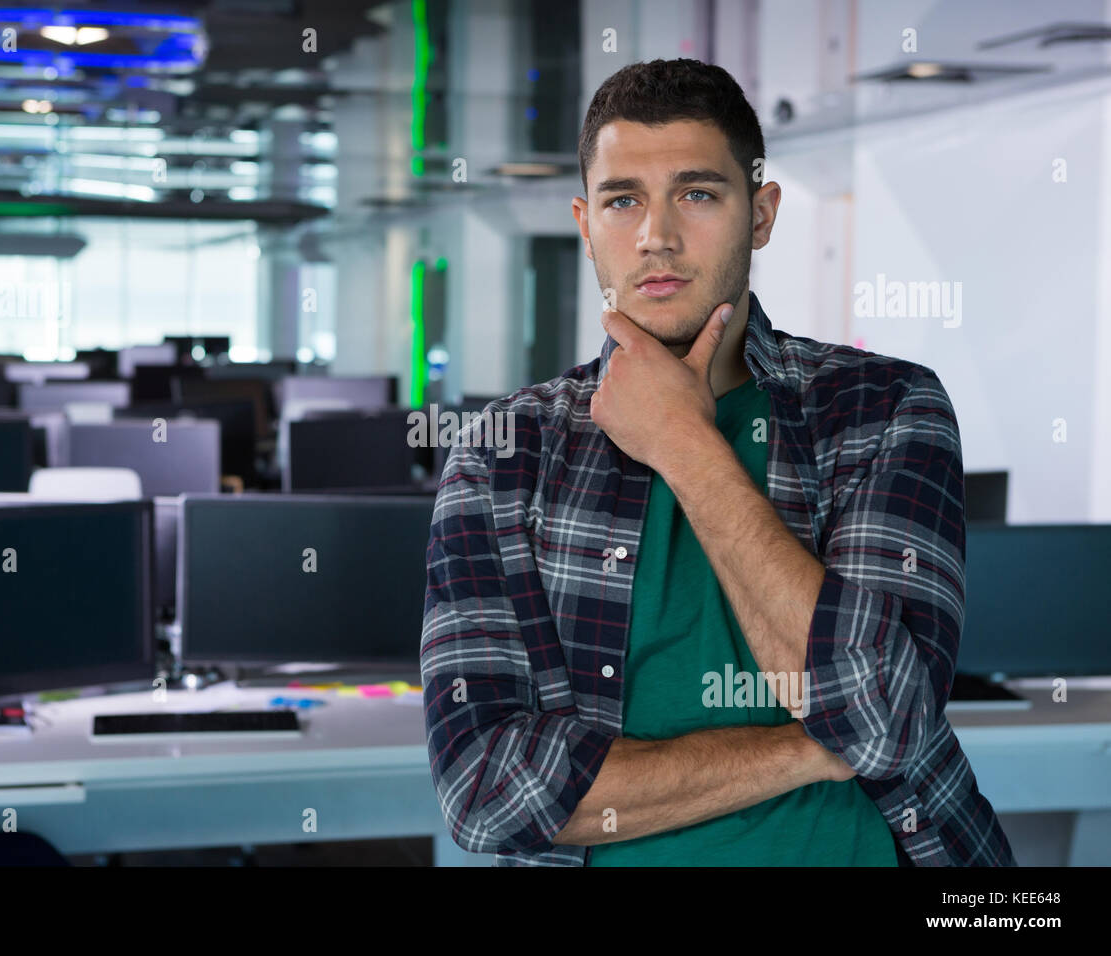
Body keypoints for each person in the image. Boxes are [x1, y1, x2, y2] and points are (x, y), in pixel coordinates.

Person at [420, 58, 1016, 867]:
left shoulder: (882, 407)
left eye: (698, 194)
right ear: (585, 222)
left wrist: (687, 447)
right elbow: (486, 796)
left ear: (761, 214)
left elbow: (879, 718)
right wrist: (809, 749)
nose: (657, 235)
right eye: (622, 199)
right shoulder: (505, 452)